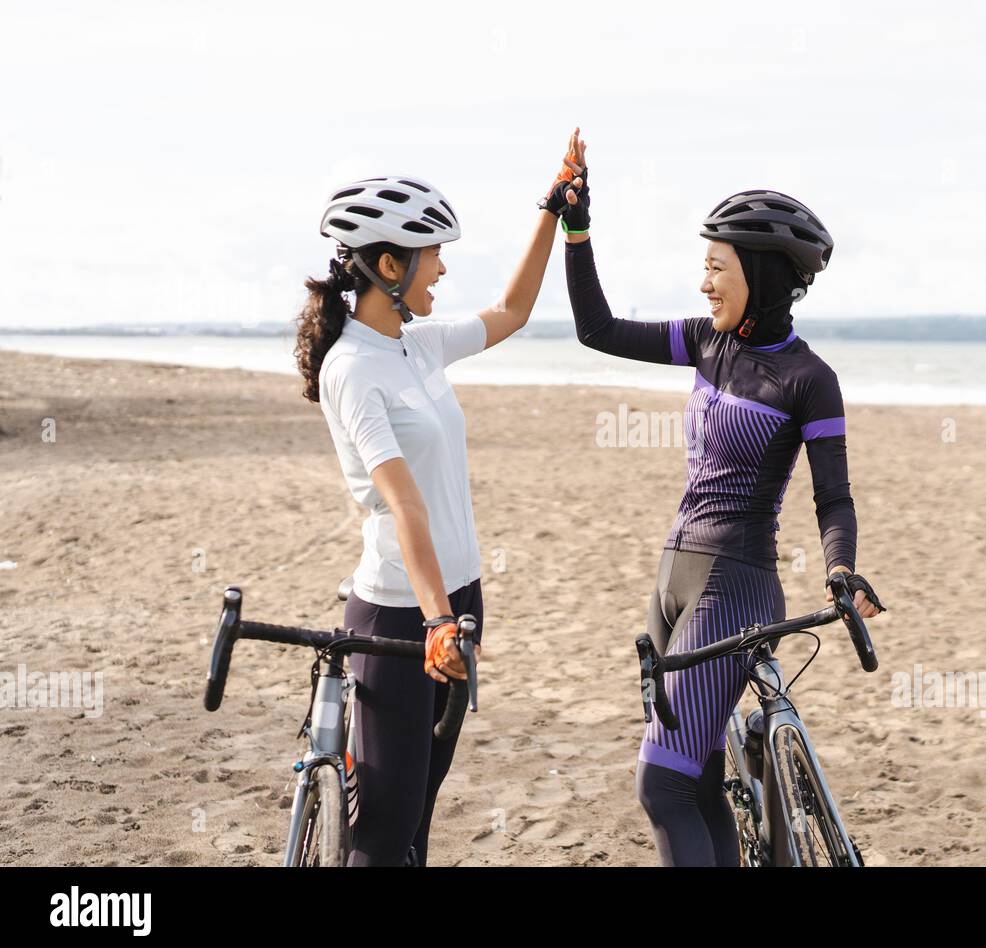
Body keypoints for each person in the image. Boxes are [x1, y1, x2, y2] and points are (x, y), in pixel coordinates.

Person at [559, 153, 884, 866]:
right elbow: (598, 329)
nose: (704, 282)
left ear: (761, 276)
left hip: (734, 589)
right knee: (697, 781)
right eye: (704, 266)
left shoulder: (808, 379)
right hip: (670, 584)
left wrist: (841, 569)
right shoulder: (705, 343)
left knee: (661, 787)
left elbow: (833, 494)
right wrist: (576, 230)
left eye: (717, 267)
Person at [293, 132, 585, 866]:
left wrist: (550, 211)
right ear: (389, 266)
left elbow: (512, 312)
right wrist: (435, 623)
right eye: (431, 254)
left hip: (458, 600)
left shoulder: (413, 346)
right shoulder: (354, 369)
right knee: (384, 837)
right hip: (403, 616)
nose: (443, 267)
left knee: (419, 815)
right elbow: (404, 506)